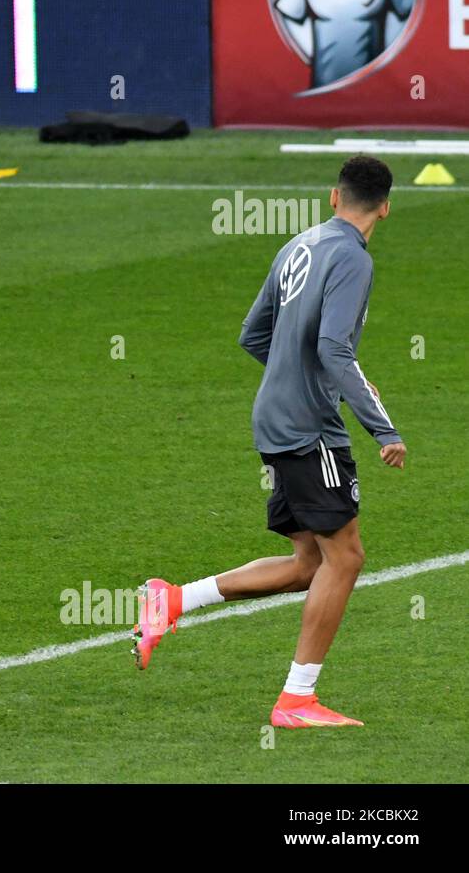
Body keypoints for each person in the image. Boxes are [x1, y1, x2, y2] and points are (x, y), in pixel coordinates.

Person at [132, 156, 404, 727]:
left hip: (273, 418)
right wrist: (381, 426)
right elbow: (334, 348)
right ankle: (297, 700)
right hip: (308, 428)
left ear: (334, 197)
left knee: (310, 562)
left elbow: (254, 334)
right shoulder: (353, 258)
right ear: (384, 206)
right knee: (346, 557)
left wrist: (294, 373)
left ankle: (173, 600)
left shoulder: (299, 245)